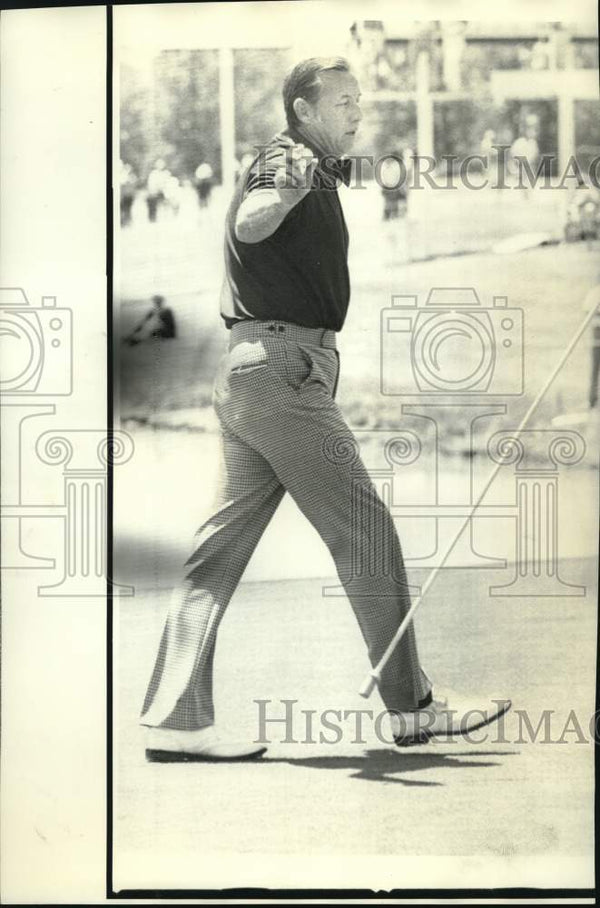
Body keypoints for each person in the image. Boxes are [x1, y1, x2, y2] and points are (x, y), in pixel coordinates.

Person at [140, 57, 511, 762]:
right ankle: (413, 710)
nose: (357, 110)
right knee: (366, 530)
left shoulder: (308, 163)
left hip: (254, 373)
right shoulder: (288, 158)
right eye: (343, 100)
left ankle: (177, 720)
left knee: (216, 553)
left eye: (359, 100)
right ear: (303, 109)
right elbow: (253, 221)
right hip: (283, 378)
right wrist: (283, 194)